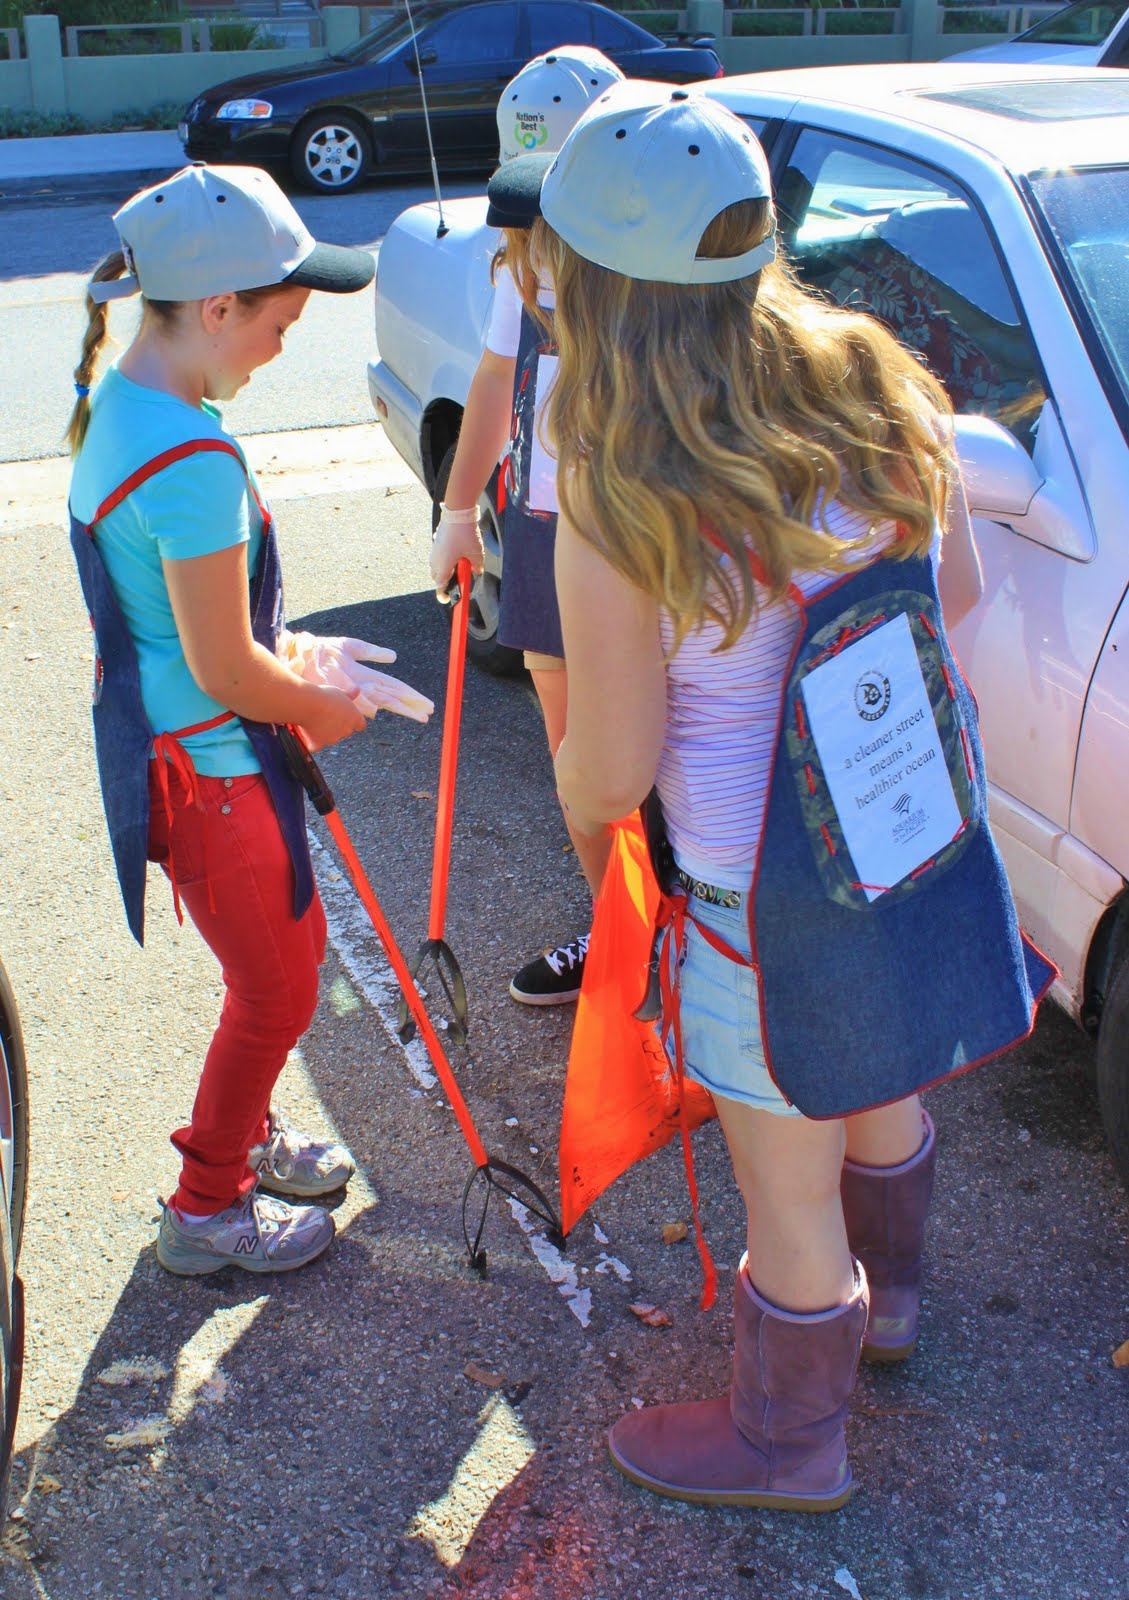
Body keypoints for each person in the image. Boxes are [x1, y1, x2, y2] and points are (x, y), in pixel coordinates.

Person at [490, 83, 1053, 1510]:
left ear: (593, 283)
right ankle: (900, 1306)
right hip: (904, 840)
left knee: (783, 1186)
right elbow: (956, 597)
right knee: (884, 1085)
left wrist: (566, 773)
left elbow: (611, 772)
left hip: (755, 895)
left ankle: (789, 1441)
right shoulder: (883, 384)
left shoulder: (621, 488)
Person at [66, 164, 431, 1277]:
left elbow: (188, 633)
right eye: (278, 324)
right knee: (277, 987)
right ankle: (207, 1204)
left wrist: (292, 654)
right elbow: (227, 664)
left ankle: (245, 1137)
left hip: (164, 757)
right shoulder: (191, 459)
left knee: (274, 973)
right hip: (215, 773)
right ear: (216, 308)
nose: (284, 348)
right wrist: (322, 702)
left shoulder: (122, 407)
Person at [428, 46, 623, 1008]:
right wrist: (460, 510)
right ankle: (621, 934)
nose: (537, 226)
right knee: (575, 766)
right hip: (546, 530)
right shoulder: (525, 257)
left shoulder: (652, 259)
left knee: (665, 759)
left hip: (641, 533)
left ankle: (690, 950)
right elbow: (493, 379)